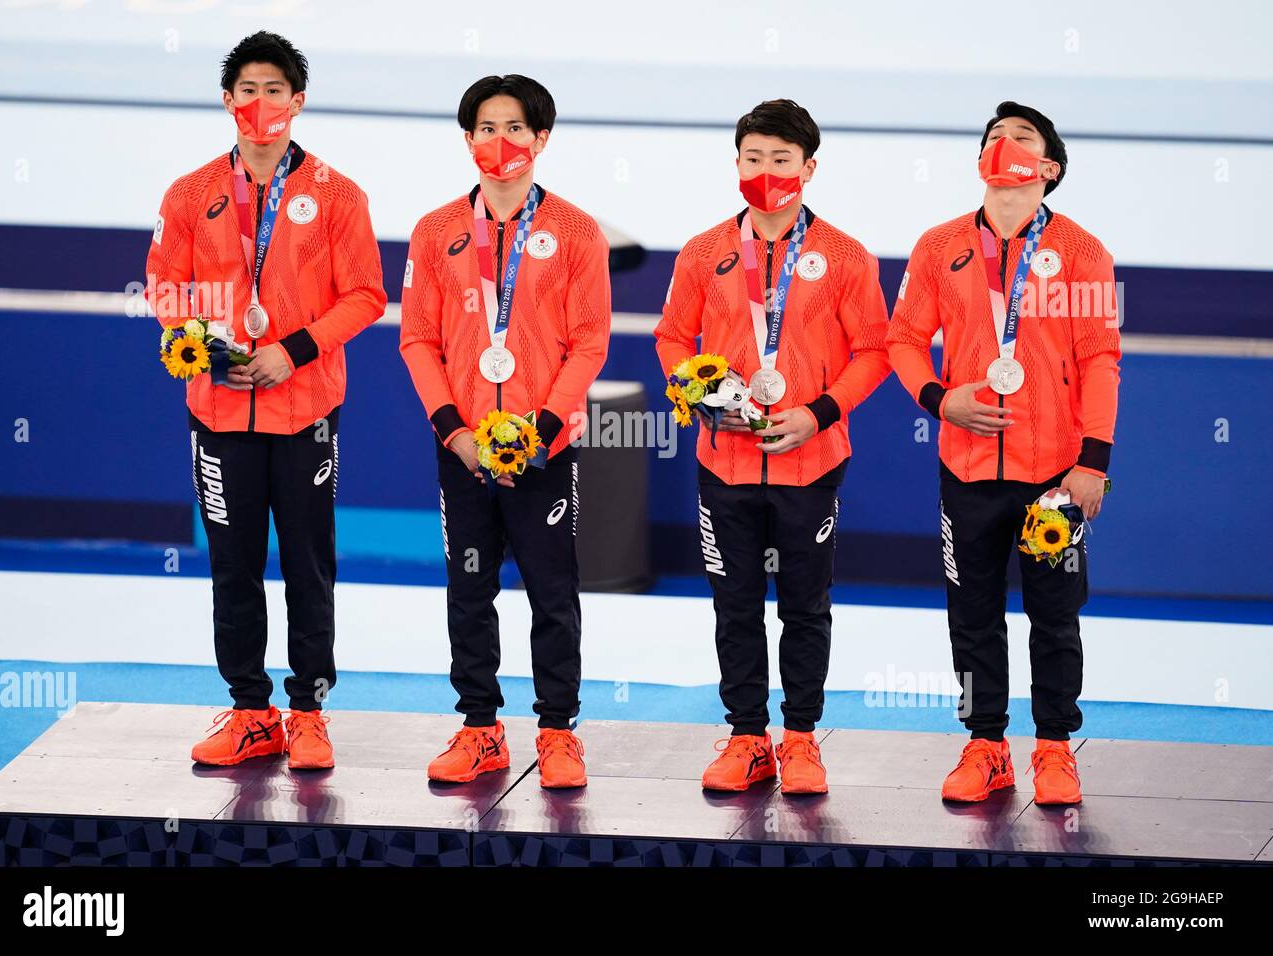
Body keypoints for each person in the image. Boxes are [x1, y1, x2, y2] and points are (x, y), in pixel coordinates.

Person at [146, 31, 387, 769]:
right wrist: (210, 342)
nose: (260, 103)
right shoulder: (189, 194)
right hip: (218, 410)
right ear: (227, 100)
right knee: (233, 563)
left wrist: (292, 351)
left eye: (275, 89)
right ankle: (251, 710)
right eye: (247, 89)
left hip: (305, 407)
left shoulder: (340, 195)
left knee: (310, 564)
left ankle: (309, 711)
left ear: (298, 101)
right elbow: (164, 287)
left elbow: (368, 295)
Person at [885, 101, 1121, 805]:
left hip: (1053, 474)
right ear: (980, 161)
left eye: (1021, 138)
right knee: (972, 615)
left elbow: (1103, 359)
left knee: (1055, 616)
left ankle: (1054, 751)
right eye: (994, 136)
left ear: (1047, 167)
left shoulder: (1082, 252)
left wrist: (1093, 463)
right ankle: (985, 746)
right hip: (967, 466)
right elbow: (901, 339)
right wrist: (938, 398)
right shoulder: (938, 247)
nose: (1004, 143)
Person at [655, 100, 890, 794]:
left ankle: (801, 740)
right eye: (753, 158)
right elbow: (673, 337)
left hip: (809, 460)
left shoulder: (846, 257)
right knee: (734, 605)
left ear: (809, 168)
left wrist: (818, 414)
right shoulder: (704, 251)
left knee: (805, 607)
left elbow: (875, 352)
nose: (766, 172)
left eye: (781, 160)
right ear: (737, 164)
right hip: (723, 459)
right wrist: (697, 399)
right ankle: (747, 738)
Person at [400, 75, 611, 789]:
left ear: (541, 138)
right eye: (486, 127)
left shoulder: (579, 232)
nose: (500, 142)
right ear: (467, 138)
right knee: (469, 587)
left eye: (515, 128)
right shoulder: (435, 232)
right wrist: (454, 430)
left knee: (553, 590)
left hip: (543, 449)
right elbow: (417, 341)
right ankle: (480, 728)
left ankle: (557, 732)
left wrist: (542, 430)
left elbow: (589, 344)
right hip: (461, 449)